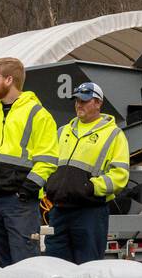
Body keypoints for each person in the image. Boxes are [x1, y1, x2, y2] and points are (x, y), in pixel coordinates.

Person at [0, 57, 58, 265]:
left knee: (25, 263)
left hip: (19, 204)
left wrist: (26, 191)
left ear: (9, 80)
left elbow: (48, 159)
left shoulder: (38, 115)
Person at [43, 82, 130, 264]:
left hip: (90, 212)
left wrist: (90, 187)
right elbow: (48, 164)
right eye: (76, 100)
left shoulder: (114, 135)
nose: (79, 104)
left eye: (84, 100)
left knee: (88, 266)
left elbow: (120, 175)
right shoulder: (63, 132)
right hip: (59, 211)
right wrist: (46, 190)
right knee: (54, 264)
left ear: (98, 103)